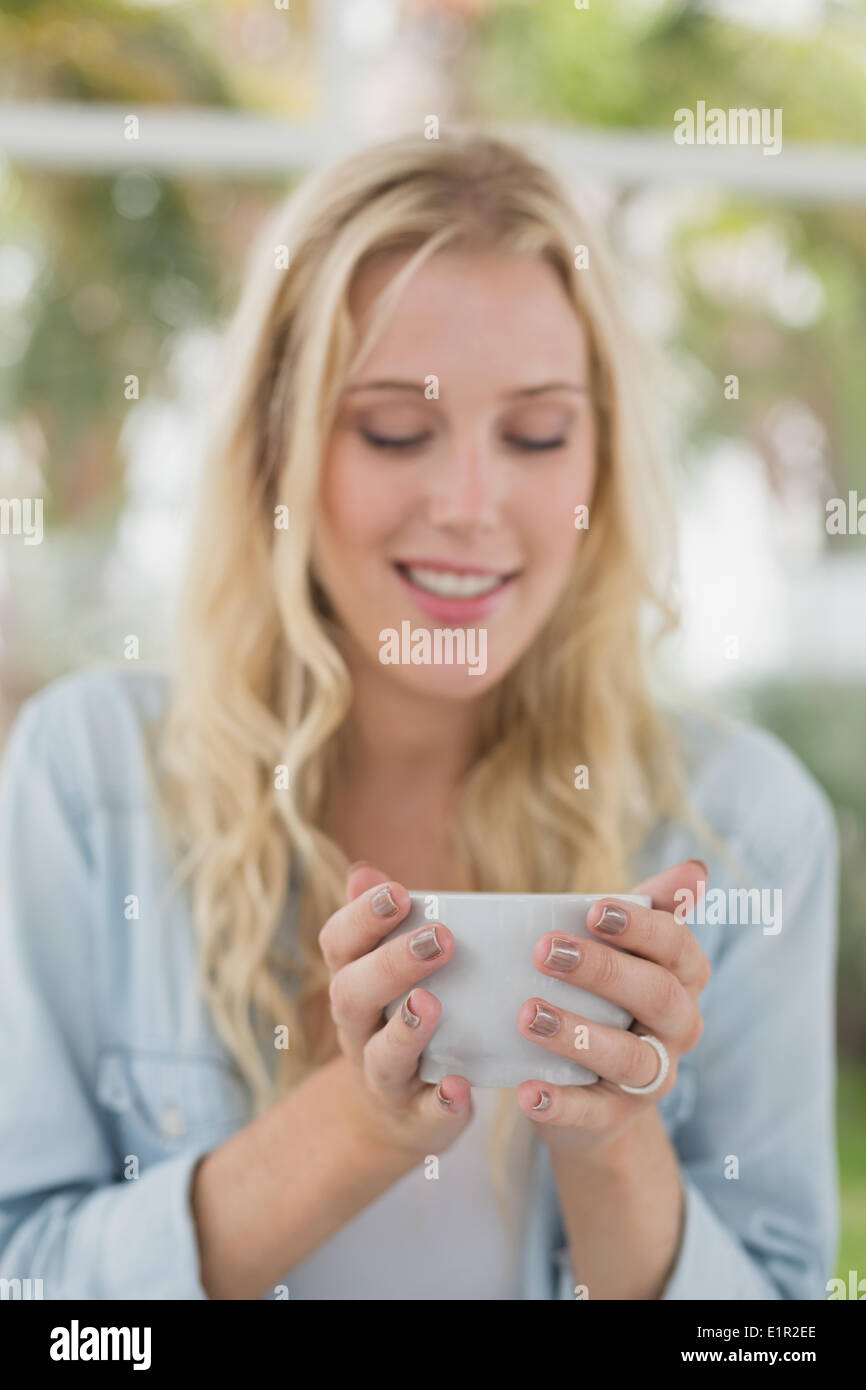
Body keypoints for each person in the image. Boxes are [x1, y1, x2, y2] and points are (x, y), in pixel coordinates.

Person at [0, 131, 838, 1300]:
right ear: (272, 448)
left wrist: (610, 1139)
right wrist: (362, 1122)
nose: (468, 505)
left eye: (537, 433)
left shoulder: (745, 826)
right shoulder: (85, 779)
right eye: (394, 428)